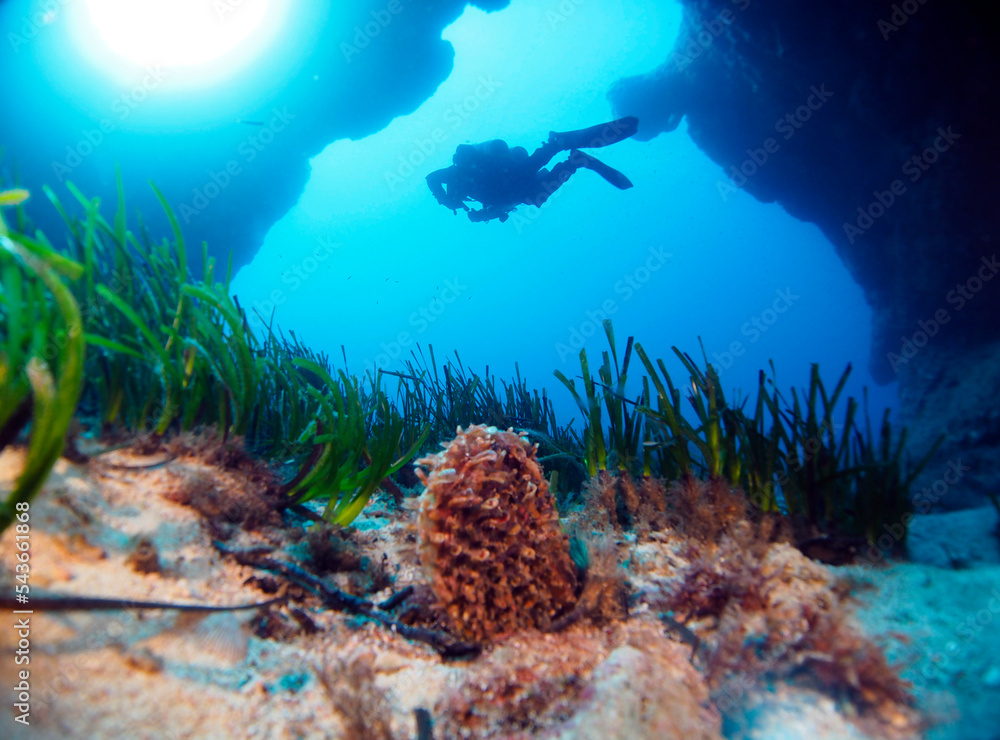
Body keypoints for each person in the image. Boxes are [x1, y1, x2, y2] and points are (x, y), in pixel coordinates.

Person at [426, 116, 639, 223]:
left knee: (530, 187)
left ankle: (563, 151)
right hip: (514, 182)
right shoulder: (470, 190)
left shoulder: (458, 174)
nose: (459, 202)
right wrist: (481, 216)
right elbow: (501, 206)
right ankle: (569, 155)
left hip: (506, 176)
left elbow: (432, 178)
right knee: (532, 191)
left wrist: (444, 200)